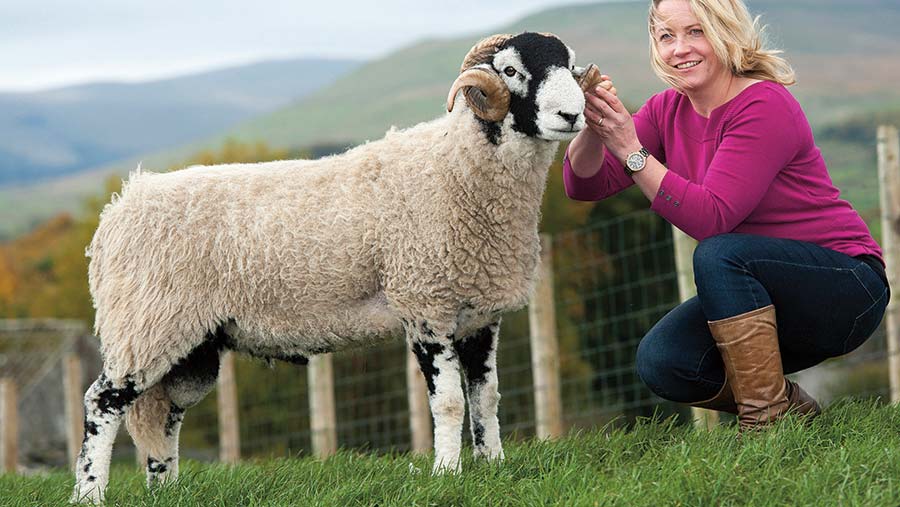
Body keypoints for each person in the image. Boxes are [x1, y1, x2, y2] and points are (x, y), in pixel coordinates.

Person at [563, 0, 890, 431]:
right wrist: (593, 123)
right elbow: (584, 184)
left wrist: (630, 150)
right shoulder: (668, 109)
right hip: (758, 295)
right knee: (663, 359)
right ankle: (790, 410)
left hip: (844, 286)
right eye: (666, 36)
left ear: (724, 31)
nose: (680, 48)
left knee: (720, 253)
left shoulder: (764, 104)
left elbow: (711, 217)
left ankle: (765, 424)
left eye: (695, 32)